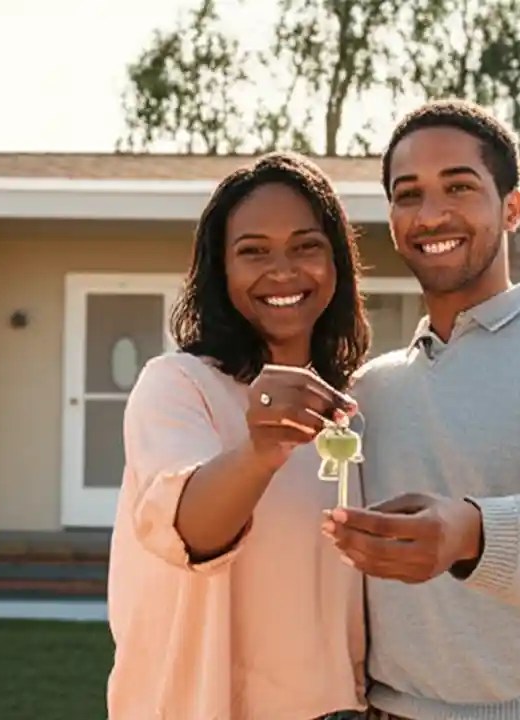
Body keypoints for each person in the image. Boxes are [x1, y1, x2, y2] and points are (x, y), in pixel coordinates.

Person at [322, 98, 520, 719]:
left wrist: (469, 534)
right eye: (407, 194)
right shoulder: (369, 391)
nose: (432, 213)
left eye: (459, 187)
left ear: (513, 208)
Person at [106, 151, 372, 720]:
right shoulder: (178, 386)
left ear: (337, 264)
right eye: (253, 251)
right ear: (220, 271)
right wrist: (260, 451)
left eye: (306, 246)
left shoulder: (354, 409)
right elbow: (192, 531)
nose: (283, 270)